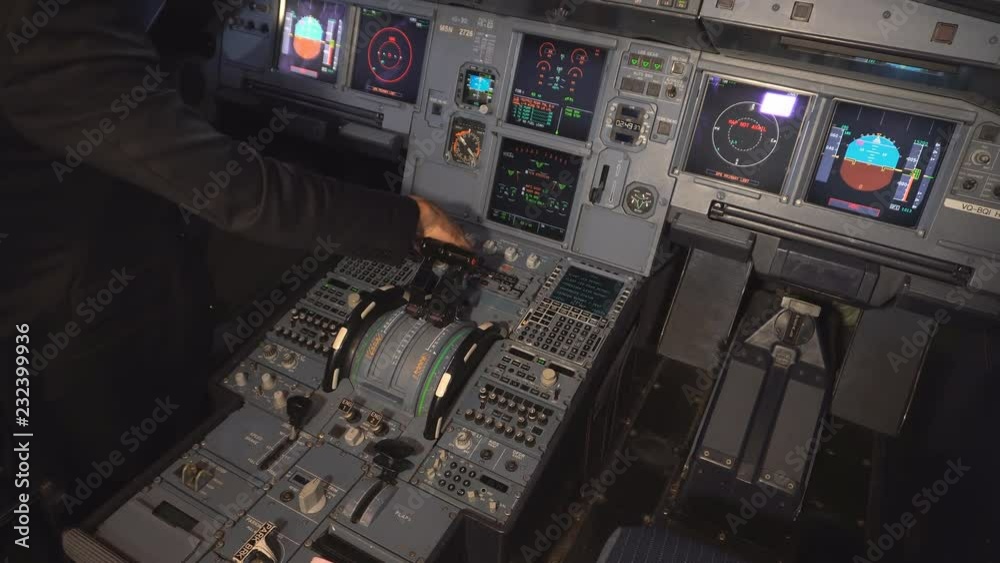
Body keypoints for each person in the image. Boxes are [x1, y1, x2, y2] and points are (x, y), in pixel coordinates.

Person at [0, 0, 468, 533]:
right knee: (112, 488)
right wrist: (408, 221)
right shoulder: (46, 23)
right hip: (66, 323)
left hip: (100, 245)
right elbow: (237, 190)